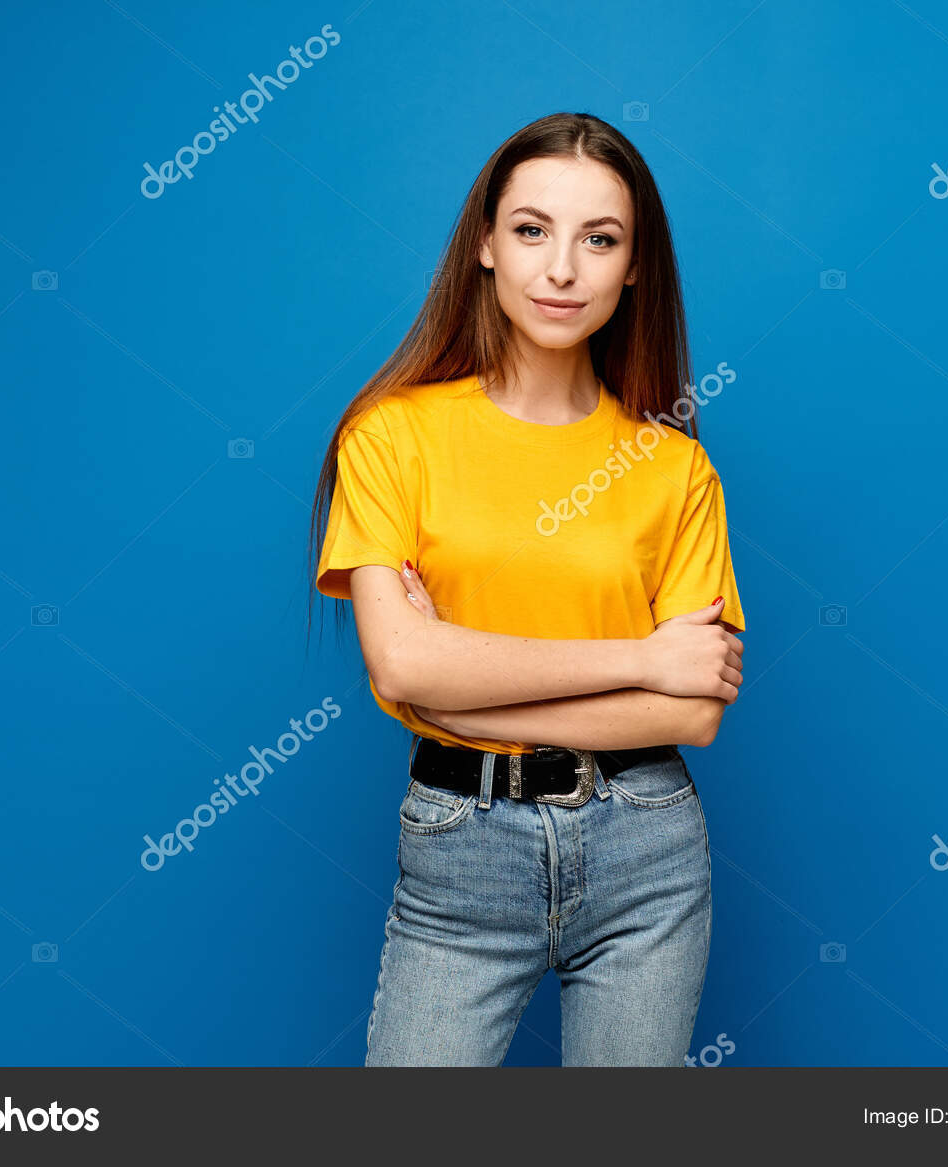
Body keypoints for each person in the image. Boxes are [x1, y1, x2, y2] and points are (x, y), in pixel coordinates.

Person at [309, 111, 747, 1066]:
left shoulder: (674, 467)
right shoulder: (390, 436)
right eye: (532, 229)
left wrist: (457, 696)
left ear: (635, 266)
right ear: (485, 245)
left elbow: (693, 714)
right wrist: (644, 659)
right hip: (459, 850)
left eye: (600, 239)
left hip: (647, 850)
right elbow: (403, 662)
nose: (562, 269)